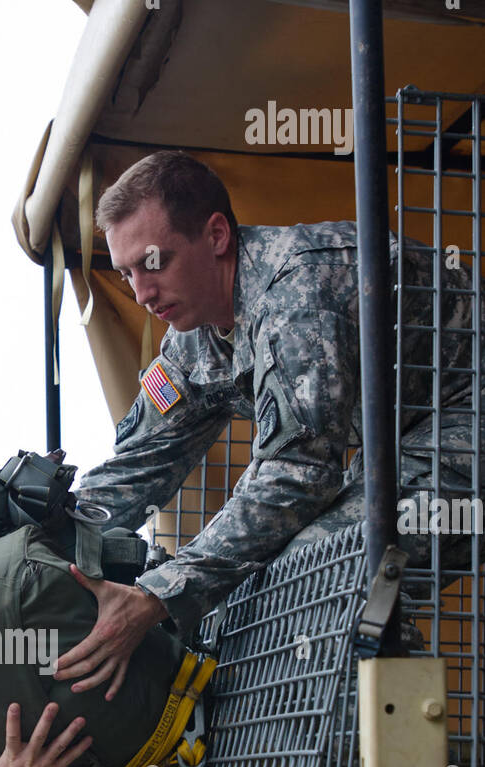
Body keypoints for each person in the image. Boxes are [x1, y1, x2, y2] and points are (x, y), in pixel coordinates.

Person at [56, 150, 480, 695]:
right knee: (251, 575)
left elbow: (299, 475)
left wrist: (159, 592)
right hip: (407, 440)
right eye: (127, 273)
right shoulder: (192, 337)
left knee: (319, 565)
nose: (141, 293)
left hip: (467, 420)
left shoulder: (296, 295)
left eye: (154, 263)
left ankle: (382, 732)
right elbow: (140, 465)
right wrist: (42, 533)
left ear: (216, 235)